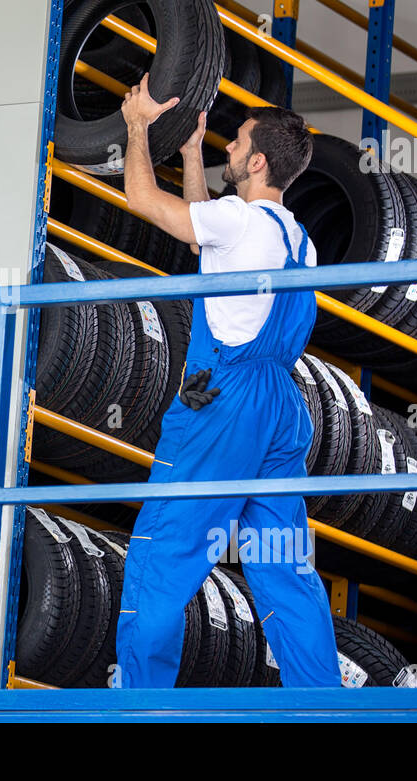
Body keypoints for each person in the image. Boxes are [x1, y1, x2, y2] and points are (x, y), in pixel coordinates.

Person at [112, 73, 340, 688]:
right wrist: (189, 153)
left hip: (223, 403)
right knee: (283, 566)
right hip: (281, 409)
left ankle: (139, 705)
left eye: (236, 144)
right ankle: (323, 706)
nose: (229, 151)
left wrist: (137, 126)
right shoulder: (297, 239)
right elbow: (204, 231)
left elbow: (143, 200)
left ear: (259, 160)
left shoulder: (240, 222)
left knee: (166, 554)